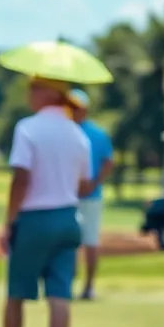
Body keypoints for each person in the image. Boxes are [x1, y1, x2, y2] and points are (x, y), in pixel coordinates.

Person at [0, 78, 92, 327]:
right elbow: (84, 184)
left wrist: (9, 222)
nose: (28, 95)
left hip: (34, 218)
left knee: (17, 295)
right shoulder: (78, 133)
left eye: (33, 89)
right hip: (69, 218)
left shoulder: (28, 128)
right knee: (59, 297)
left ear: (50, 93)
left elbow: (21, 177)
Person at [67, 89, 114, 300]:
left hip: (91, 196)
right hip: (68, 196)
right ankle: (65, 285)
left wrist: (94, 183)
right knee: (68, 242)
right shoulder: (65, 132)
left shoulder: (96, 133)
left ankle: (88, 287)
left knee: (90, 242)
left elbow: (108, 162)